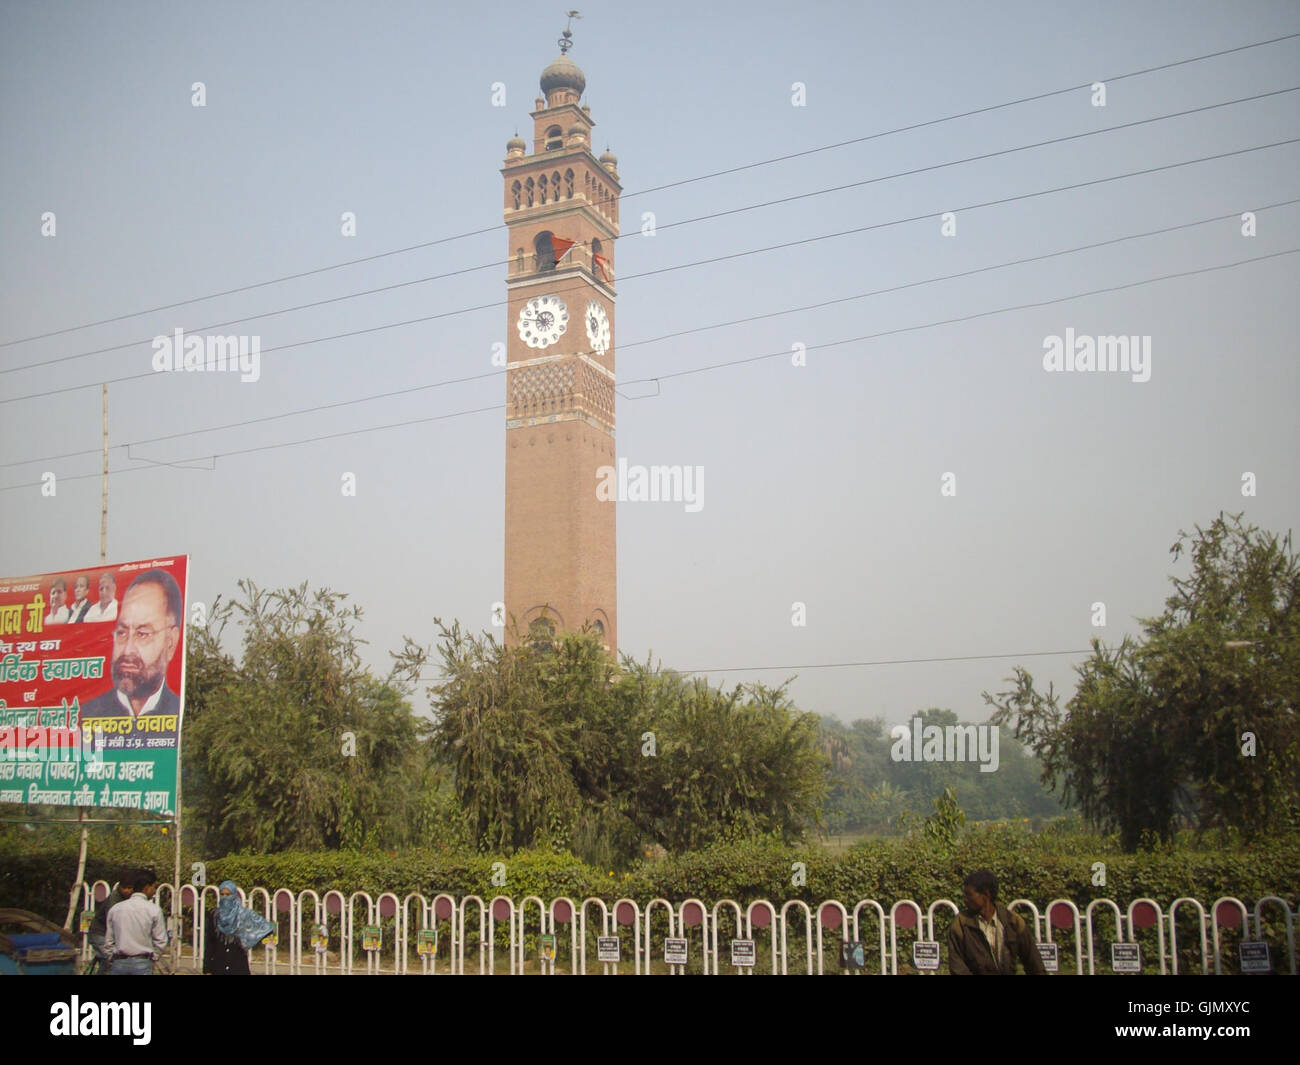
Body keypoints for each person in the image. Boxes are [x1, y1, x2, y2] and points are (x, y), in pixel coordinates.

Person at [80, 569, 182, 729]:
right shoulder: (86, 716)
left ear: (170, 642)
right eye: (122, 633)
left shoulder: (184, 717)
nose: (128, 650)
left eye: (142, 634)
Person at [947, 869, 1046, 975]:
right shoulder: (960, 925)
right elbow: (957, 967)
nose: (965, 900)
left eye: (969, 895)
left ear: (986, 895)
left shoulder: (1013, 922)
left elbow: (1034, 963)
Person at [204, 880, 274, 974]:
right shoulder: (215, 916)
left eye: (228, 894)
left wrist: (251, 939)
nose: (225, 897)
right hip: (218, 967)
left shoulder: (244, 915)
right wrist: (207, 969)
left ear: (235, 896)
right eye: (222, 894)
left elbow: (267, 929)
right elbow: (209, 943)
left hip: (238, 966)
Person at [104, 870, 167, 974]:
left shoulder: (116, 909)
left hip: (119, 962)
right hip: (142, 962)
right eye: (153, 887)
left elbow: (109, 940)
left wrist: (112, 956)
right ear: (147, 887)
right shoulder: (154, 910)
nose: (154, 891)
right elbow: (161, 940)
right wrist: (153, 957)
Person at [87, 872, 135, 973]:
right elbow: (114, 922)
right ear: (120, 886)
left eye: (129, 888)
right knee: (111, 960)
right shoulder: (114, 900)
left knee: (107, 963)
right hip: (99, 933)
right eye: (124, 887)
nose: (126, 890)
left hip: (110, 935)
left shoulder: (130, 899)